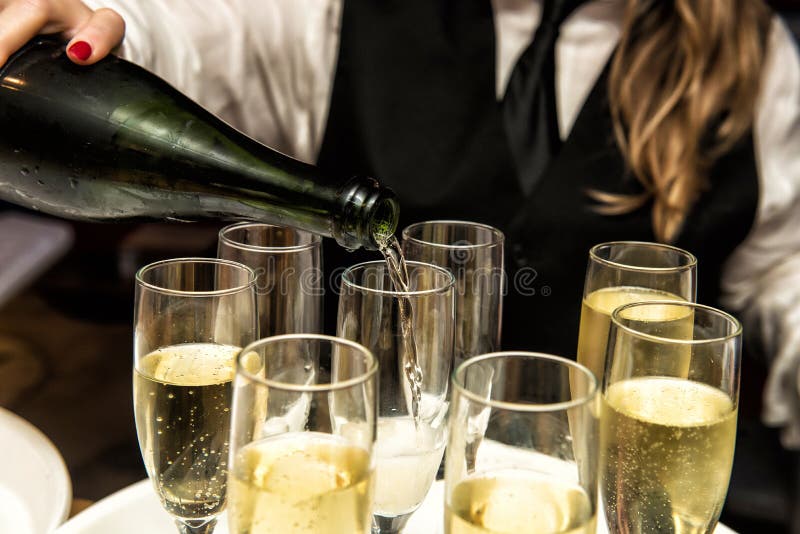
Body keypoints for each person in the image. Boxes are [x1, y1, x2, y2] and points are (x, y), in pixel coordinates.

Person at [0, 0, 799, 447]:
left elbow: (785, 275)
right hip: (347, 472)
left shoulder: (759, 65)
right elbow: (192, 38)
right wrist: (92, 26)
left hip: (584, 495)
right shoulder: (338, 13)